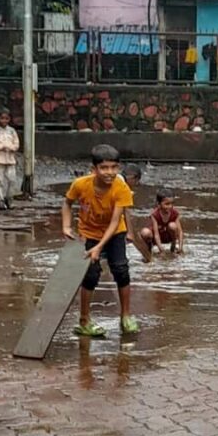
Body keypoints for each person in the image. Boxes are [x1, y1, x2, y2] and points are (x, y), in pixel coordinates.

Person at [62, 144, 139, 337]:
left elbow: (115, 222)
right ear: (94, 169)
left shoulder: (121, 187)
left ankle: (126, 315)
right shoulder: (80, 184)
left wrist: (99, 247)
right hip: (88, 232)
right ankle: (84, 320)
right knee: (90, 275)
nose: (109, 172)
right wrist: (66, 225)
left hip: (115, 233)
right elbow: (67, 202)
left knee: (121, 269)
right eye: (104, 168)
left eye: (114, 167)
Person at [0, 108, 19, 212]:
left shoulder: (12, 131)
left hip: (10, 159)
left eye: (6, 118)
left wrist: (10, 147)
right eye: (2, 118)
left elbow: (16, 144)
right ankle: (0, 200)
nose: (4, 121)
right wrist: (1, 146)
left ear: (9, 119)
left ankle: (9, 198)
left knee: (12, 179)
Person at [140, 188, 184, 254]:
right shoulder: (155, 214)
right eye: (167, 204)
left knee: (173, 225)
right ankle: (149, 248)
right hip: (157, 236)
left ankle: (173, 245)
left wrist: (180, 247)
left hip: (168, 236)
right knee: (145, 232)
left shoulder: (175, 213)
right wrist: (161, 249)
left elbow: (180, 231)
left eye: (172, 204)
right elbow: (156, 234)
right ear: (159, 204)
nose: (170, 206)